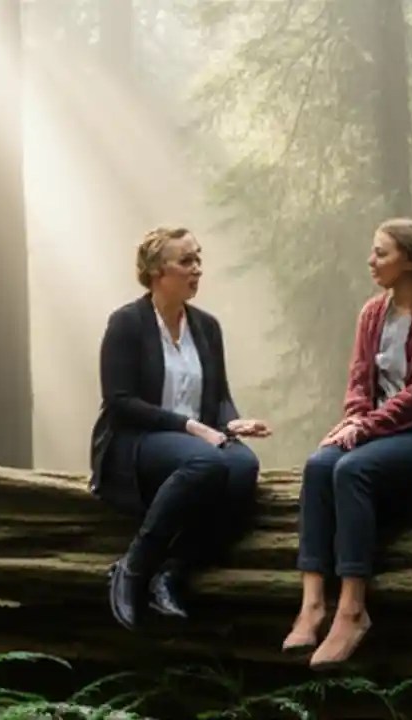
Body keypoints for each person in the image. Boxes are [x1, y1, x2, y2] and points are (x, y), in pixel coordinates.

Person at [282, 218, 412, 670]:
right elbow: (358, 382)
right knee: (318, 465)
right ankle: (312, 603)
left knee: (353, 469)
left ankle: (352, 609)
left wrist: (364, 429)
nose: (371, 261)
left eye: (381, 253)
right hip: (373, 427)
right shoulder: (372, 313)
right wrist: (354, 419)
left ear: (410, 261)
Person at [89, 225, 272, 631]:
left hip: (196, 440)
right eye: (186, 261)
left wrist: (231, 421)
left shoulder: (207, 327)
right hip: (136, 441)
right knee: (206, 462)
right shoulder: (126, 323)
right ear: (157, 272)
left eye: (198, 259)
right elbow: (119, 402)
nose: (197, 269)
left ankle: (173, 571)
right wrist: (190, 427)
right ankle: (133, 567)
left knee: (243, 467)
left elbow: (218, 396)